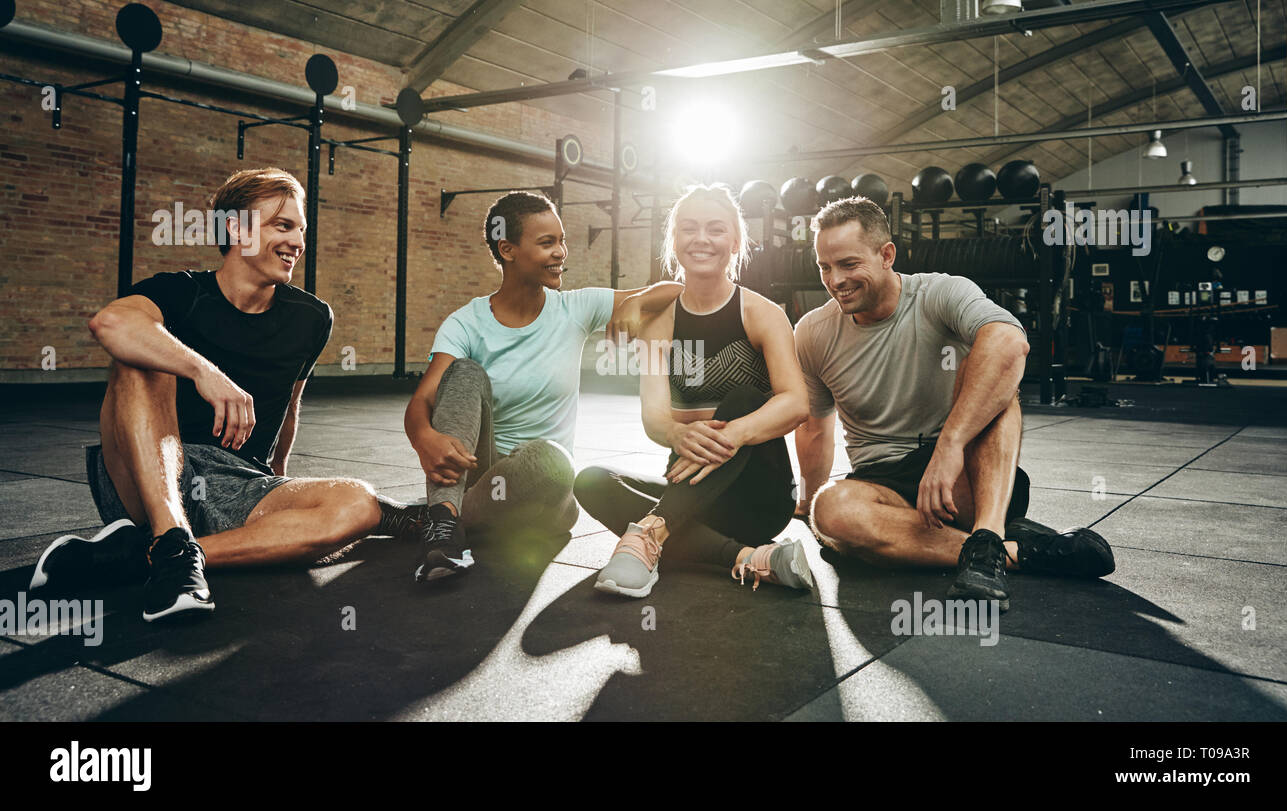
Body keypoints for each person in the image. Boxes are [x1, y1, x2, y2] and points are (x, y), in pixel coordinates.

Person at [30, 167, 385, 621]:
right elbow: (110, 324)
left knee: (359, 503)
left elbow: (289, 406)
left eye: (301, 229)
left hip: (238, 482)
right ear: (235, 228)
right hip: (148, 474)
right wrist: (203, 371)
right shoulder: (179, 292)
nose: (297, 241)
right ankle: (168, 531)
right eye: (283, 225)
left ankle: (158, 557)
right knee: (142, 352)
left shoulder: (312, 317)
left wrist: (282, 486)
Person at [794, 196, 1114, 610]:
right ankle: (1002, 551)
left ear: (887, 254)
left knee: (992, 370)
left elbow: (1010, 343)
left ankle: (985, 529)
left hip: (964, 478)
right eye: (824, 267)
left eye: (849, 264)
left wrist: (950, 446)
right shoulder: (813, 332)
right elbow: (814, 427)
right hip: (884, 488)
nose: (835, 279)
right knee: (832, 510)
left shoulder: (940, 293)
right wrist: (807, 504)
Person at [399, 191, 686, 582]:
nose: (561, 252)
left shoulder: (575, 308)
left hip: (546, 494)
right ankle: (447, 532)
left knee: (551, 461)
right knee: (464, 373)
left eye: (562, 240)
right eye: (547, 242)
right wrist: (424, 437)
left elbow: (677, 291)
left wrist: (635, 304)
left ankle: (435, 519)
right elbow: (422, 402)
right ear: (508, 249)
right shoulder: (466, 322)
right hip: (482, 475)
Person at [573, 184, 813, 599]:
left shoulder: (762, 314)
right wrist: (676, 434)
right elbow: (654, 417)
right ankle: (747, 559)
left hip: (759, 497)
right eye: (689, 228)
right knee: (591, 481)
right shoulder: (658, 324)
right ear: (674, 240)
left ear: (735, 242)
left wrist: (733, 432)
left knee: (744, 400)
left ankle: (652, 531)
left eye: (715, 229)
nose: (701, 239)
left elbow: (796, 403)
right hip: (689, 492)